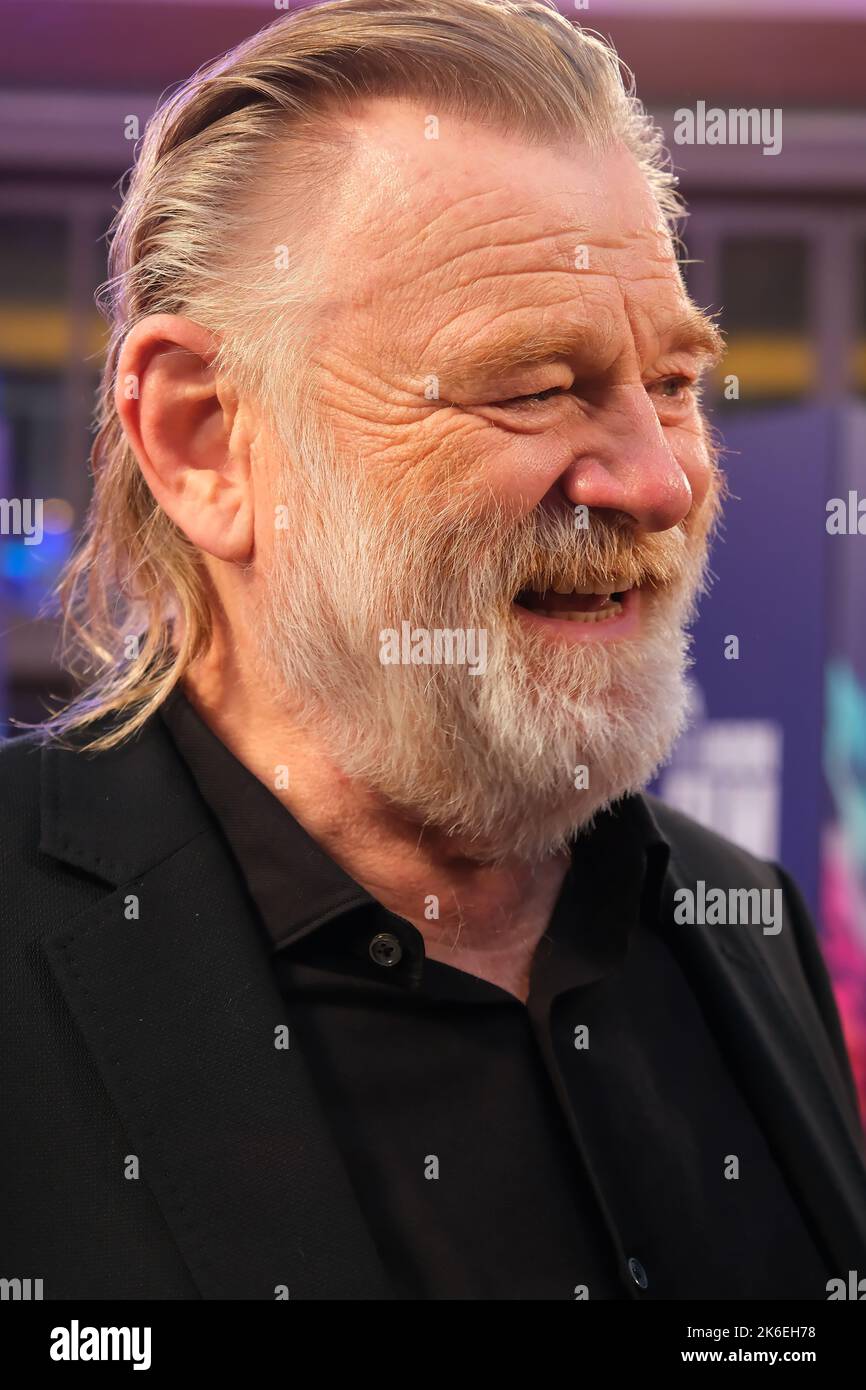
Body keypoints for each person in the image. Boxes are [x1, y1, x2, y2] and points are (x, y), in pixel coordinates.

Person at [2, 0, 865, 1301]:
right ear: (202, 441)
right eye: (531, 385)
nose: (657, 480)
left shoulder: (737, 924)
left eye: (676, 383)